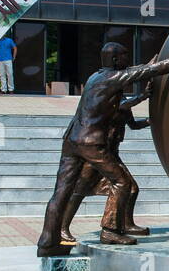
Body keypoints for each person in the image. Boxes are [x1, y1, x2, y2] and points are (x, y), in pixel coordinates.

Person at [37, 41, 169, 255]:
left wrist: (144, 81)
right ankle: (110, 230)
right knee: (122, 183)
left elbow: (134, 73)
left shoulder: (96, 77)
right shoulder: (111, 79)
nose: (126, 60)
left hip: (72, 140)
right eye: (124, 56)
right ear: (114, 59)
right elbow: (138, 73)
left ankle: (48, 241)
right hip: (91, 143)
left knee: (61, 192)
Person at [58, 89, 149, 244]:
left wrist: (149, 121)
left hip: (111, 152)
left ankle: (126, 224)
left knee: (132, 188)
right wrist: (142, 95)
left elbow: (132, 124)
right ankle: (62, 228)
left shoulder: (123, 99)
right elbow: (122, 106)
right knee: (79, 190)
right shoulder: (104, 98)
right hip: (95, 152)